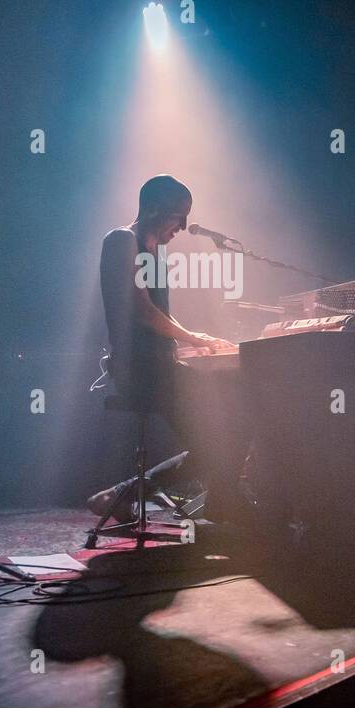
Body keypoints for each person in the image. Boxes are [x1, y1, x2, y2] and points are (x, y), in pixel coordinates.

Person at [91, 174, 249, 520]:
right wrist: (193, 338)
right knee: (223, 437)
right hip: (138, 369)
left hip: (159, 364)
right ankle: (222, 506)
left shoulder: (157, 253)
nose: (183, 226)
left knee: (230, 428)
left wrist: (190, 346)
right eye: (179, 216)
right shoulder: (121, 240)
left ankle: (123, 495)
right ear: (153, 209)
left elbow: (160, 318)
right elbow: (142, 310)